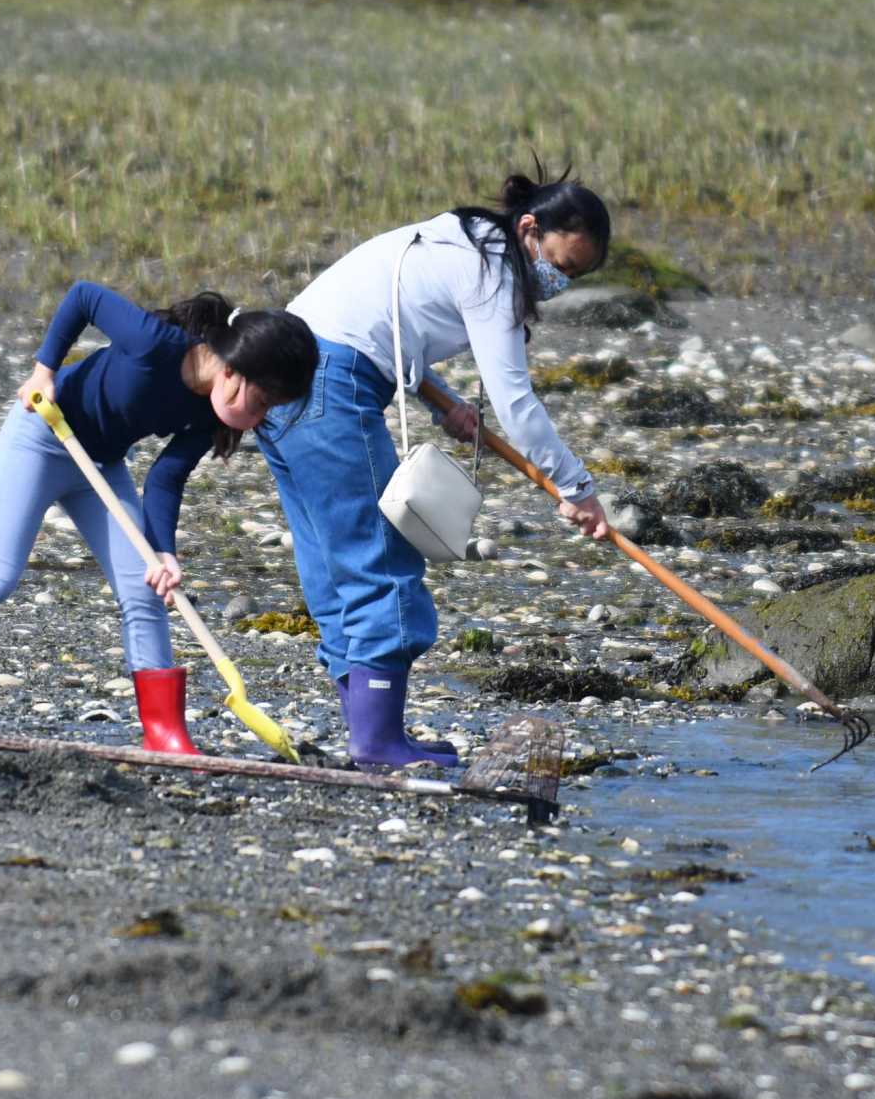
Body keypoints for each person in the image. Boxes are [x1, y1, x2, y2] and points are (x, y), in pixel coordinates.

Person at [257, 171, 612, 768]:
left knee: (330, 563)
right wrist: (577, 487)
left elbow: (386, 323)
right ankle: (378, 744)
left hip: (280, 375)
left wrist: (441, 401)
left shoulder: (458, 237)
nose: (559, 283)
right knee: (382, 563)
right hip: (330, 386)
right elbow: (516, 403)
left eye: (574, 278)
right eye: (562, 266)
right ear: (530, 229)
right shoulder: (491, 269)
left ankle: (369, 733)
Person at [0, 283, 317, 753]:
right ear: (233, 370)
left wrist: (164, 553)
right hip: (42, 438)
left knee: (145, 589)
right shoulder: (154, 343)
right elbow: (83, 297)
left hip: (100, 468)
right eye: (262, 403)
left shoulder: (205, 413)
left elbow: (166, 479)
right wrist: (43, 372)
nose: (257, 420)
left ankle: (164, 735)